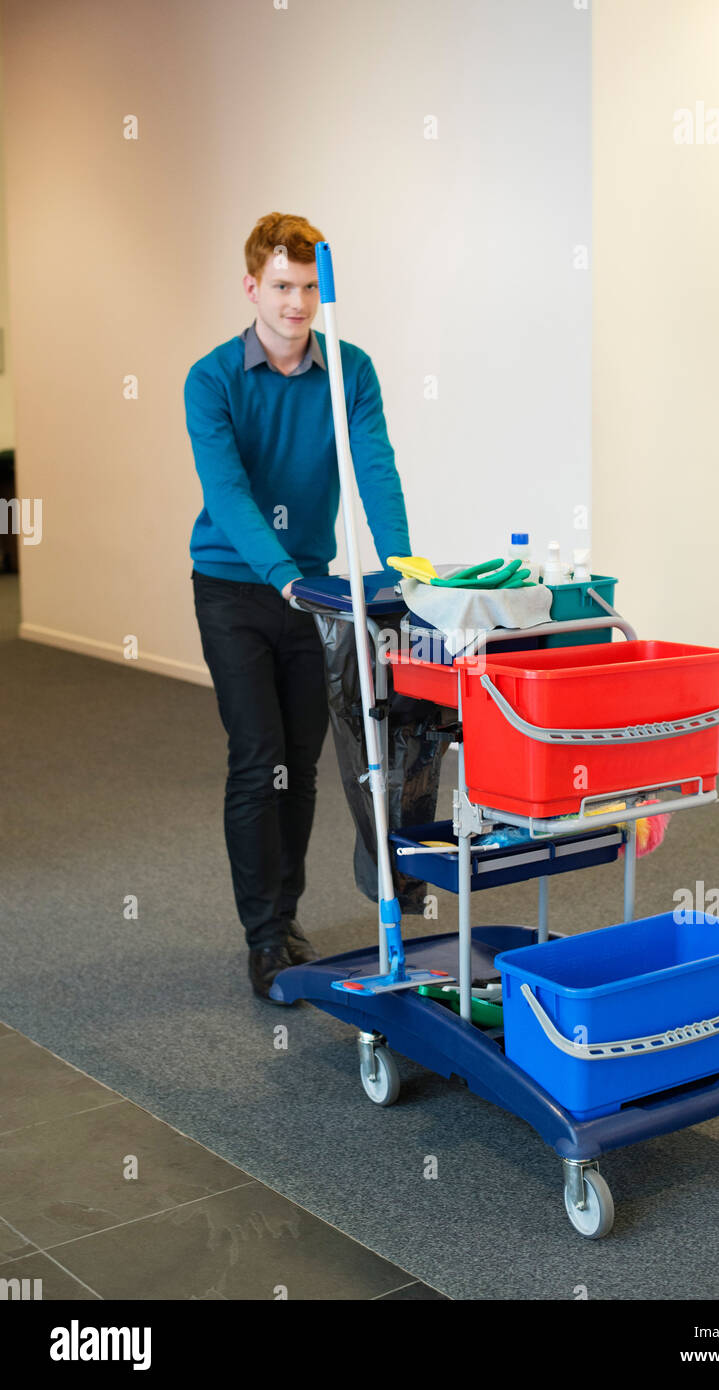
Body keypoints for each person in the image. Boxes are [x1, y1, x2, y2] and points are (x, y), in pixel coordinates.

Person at [185, 212, 412, 1002]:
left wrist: (402, 565)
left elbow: (373, 466)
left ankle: (288, 918)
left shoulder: (350, 369)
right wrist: (282, 573)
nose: (296, 303)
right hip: (234, 587)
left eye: (310, 287)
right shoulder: (211, 379)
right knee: (258, 757)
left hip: (313, 591)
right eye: (281, 286)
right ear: (252, 286)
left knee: (305, 764)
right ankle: (262, 939)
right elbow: (228, 494)